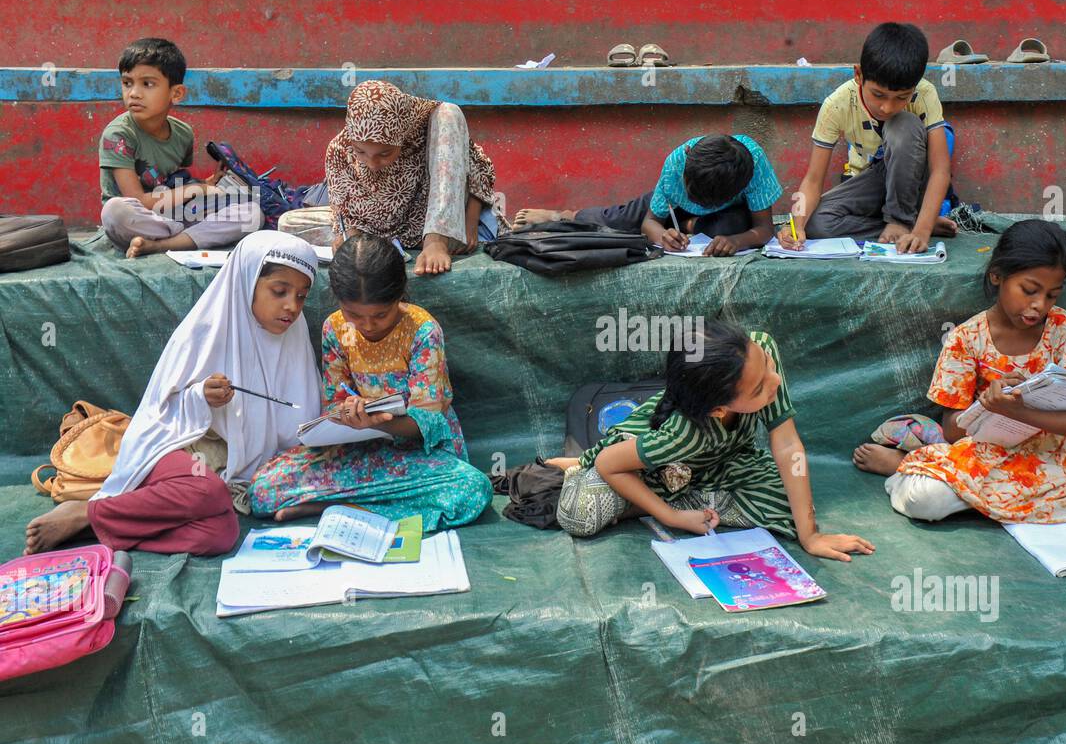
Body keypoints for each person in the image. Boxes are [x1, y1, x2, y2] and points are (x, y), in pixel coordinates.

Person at [854, 219, 1066, 533]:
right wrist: (988, 405)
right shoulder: (966, 338)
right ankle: (909, 470)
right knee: (924, 501)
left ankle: (993, 507)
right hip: (985, 462)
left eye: (1052, 295)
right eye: (1029, 290)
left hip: (1057, 464)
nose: (1039, 305)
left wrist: (1018, 410)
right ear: (997, 276)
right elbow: (953, 431)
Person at [24, 232, 322, 555]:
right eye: (279, 291)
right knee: (207, 492)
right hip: (179, 448)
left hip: (228, 472)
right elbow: (160, 410)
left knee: (220, 534)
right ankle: (85, 513)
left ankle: (101, 525)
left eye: (302, 296)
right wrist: (200, 397)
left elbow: (300, 420)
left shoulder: (294, 335)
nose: (292, 306)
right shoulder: (206, 329)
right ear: (247, 280)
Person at [549, 320, 875, 562]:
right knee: (581, 515)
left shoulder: (759, 350)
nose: (774, 380)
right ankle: (593, 474)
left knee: (794, 508)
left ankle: (677, 498)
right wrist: (670, 517)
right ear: (720, 410)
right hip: (650, 465)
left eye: (767, 364)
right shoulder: (683, 435)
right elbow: (610, 464)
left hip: (723, 461)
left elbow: (788, 446)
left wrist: (811, 536)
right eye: (760, 388)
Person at [249, 234, 492, 530]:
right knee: (262, 489)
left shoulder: (422, 331)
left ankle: (334, 503)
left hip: (419, 453)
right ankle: (362, 501)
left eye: (380, 314)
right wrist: (346, 414)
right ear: (338, 301)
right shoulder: (335, 328)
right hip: (361, 450)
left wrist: (376, 423)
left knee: (471, 489)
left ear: (399, 295)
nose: (367, 325)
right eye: (354, 315)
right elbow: (335, 402)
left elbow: (427, 424)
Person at [782, 22, 954, 253]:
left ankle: (902, 222)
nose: (887, 107)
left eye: (901, 97)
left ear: (914, 87)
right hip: (873, 181)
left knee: (902, 124)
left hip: (913, 183)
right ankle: (908, 227)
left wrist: (922, 233)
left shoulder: (925, 93)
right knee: (816, 223)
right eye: (878, 94)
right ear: (858, 74)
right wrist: (796, 225)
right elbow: (812, 179)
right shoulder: (837, 105)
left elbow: (940, 170)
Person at [317, 80, 502, 276]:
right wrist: (348, 237)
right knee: (291, 221)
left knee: (449, 113)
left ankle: (436, 241)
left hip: (437, 226)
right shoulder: (339, 149)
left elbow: (478, 169)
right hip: (377, 233)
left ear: (402, 135)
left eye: (385, 153)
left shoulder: (428, 128)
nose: (372, 164)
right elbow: (342, 212)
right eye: (361, 152)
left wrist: (470, 221)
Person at [99, 37, 262, 257]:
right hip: (138, 220)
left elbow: (173, 183)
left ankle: (160, 244)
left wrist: (207, 184)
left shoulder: (183, 133)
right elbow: (139, 200)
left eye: (147, 84)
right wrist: (198, 189)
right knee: (114, 211)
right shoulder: (118, 134)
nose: (134, 93)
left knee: (253, 214)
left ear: (176, 93)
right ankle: (186, 237)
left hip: (175, 214)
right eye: (127, 83)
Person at [514, 133, 782, 257]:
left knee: (731, 227)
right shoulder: (677, 162)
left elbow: (764, 228)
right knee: (620, 221)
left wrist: (736, 241)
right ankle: (564, 217)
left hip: (723, 217)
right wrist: (661, 236)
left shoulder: (754, 164)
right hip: (674, 210)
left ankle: (692, 226)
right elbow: (649, 223)